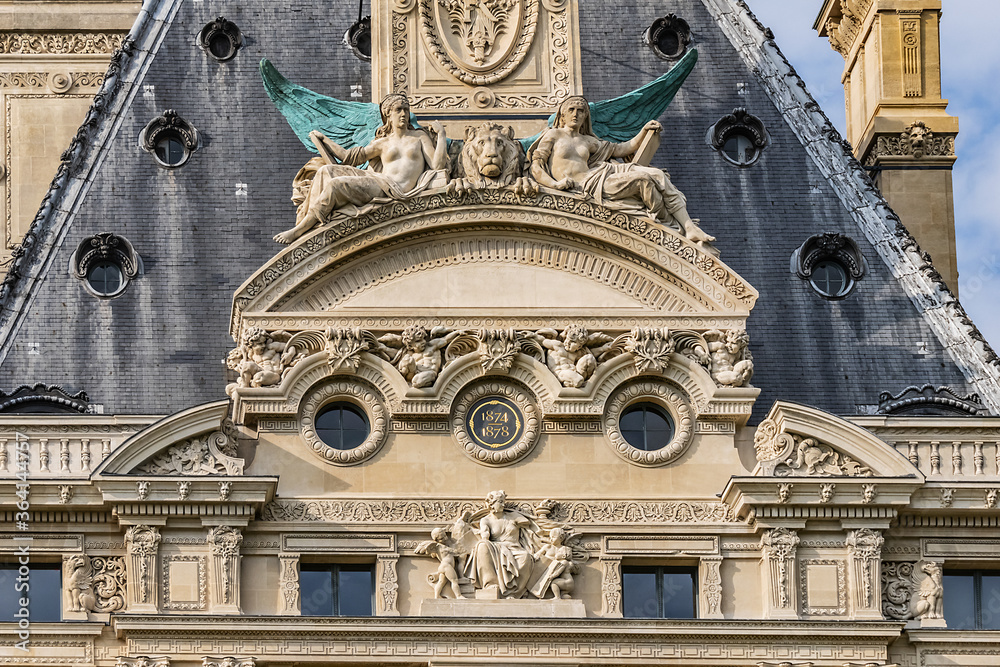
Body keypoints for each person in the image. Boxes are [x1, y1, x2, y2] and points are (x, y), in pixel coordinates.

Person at [528, 96, 714, 246]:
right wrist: (555, 184)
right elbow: (535, 165)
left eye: (580, 111)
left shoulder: (588, 141)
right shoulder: (552, 135)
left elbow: (622, 149)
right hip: (584, 185)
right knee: (642, 180)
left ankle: (688, 226)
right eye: (571, 110)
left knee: (657, 174)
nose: (575, 114)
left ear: (586, 116)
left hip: (597, 175)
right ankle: (669, 224)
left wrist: (643, 131)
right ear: (562, 114)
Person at [274, 94, 449, 244]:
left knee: (336, 185)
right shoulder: (382, 143)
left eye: (406, 109)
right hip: (381, 181)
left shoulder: (419, 137)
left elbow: (437, 165)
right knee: (326, 171)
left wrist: (441, 135)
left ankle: (299, 230)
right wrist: (324, 139)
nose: (403, 114)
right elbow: (348, 157)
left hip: (393, 189)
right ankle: (309, 223)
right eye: (398, 110)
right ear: (388, 115)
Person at [464, 490, 535, 598]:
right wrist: (484, 534)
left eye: (503, 501)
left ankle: (513, 591)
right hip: (496, 548)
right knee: (482, 545)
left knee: (525, 557)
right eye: (500, 502)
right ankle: (490, 584)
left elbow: (528, 523)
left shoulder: (513, 516)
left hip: (514, 548)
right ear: (491, 504)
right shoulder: (486, 520)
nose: (503, 504)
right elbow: (485, 534)